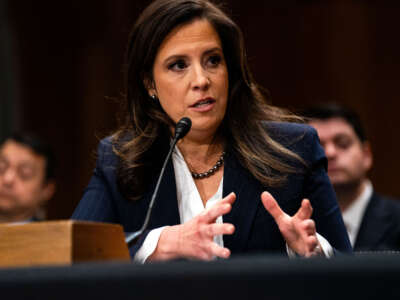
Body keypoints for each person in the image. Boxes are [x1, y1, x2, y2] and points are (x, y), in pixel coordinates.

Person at [72, 0, 351, 262]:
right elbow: (73, 254)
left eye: (213, 60)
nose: (201, 80)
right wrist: (158, 243)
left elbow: (350, 271)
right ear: (149, 84)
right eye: (178, 65)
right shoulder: (121, 160)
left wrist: (312, 253)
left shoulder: (294, 150)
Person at [304, 103, 400, 252]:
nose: (330, 153)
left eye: (343, 143)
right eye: (318, 147)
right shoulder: (297, 227)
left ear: (366, 155)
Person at [0, 133, 56, 223]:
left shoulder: (53, 237)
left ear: (47, 190)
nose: (8, 179)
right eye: (1, 167)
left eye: (24, 173)